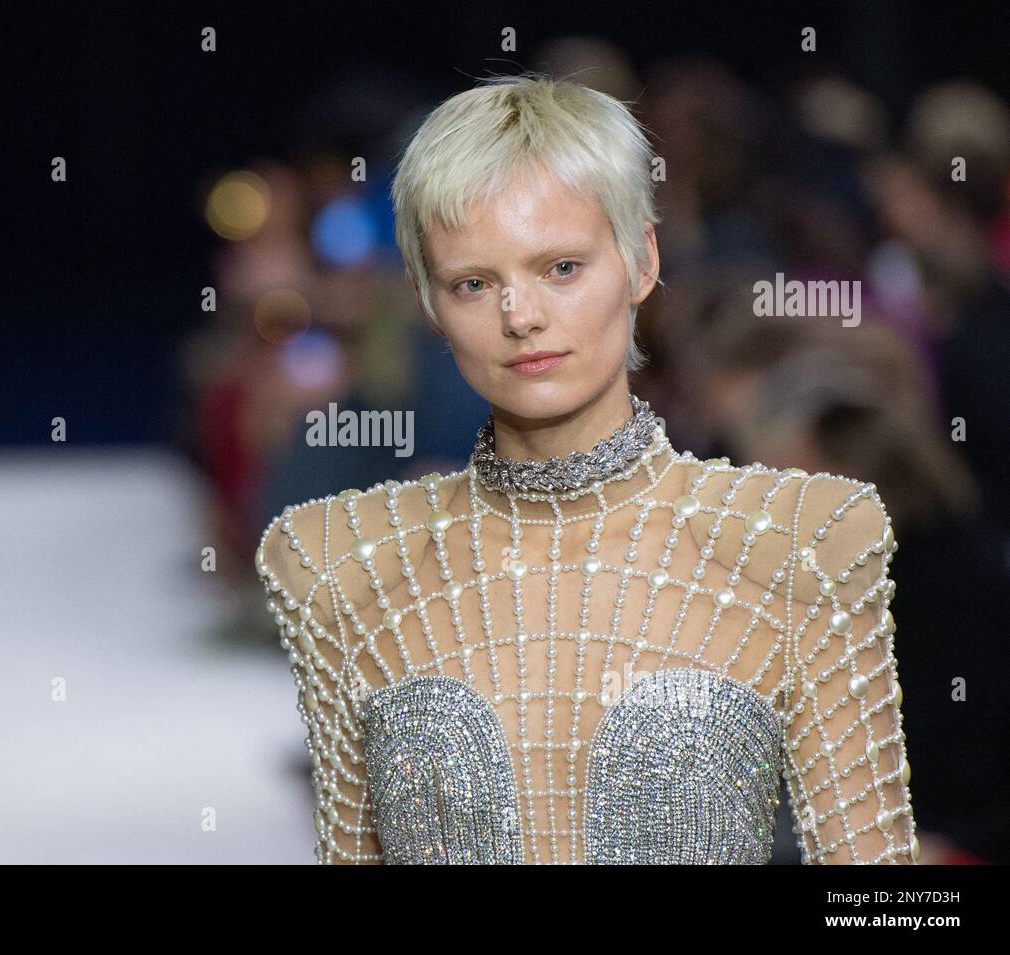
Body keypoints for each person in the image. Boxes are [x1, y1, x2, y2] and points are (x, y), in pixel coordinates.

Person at [254, 73, 918, 864]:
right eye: (474, 282)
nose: (522, 315)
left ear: (641, 264)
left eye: (561, 267)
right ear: (431, 304)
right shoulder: (341, 563)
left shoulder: (805, 539)